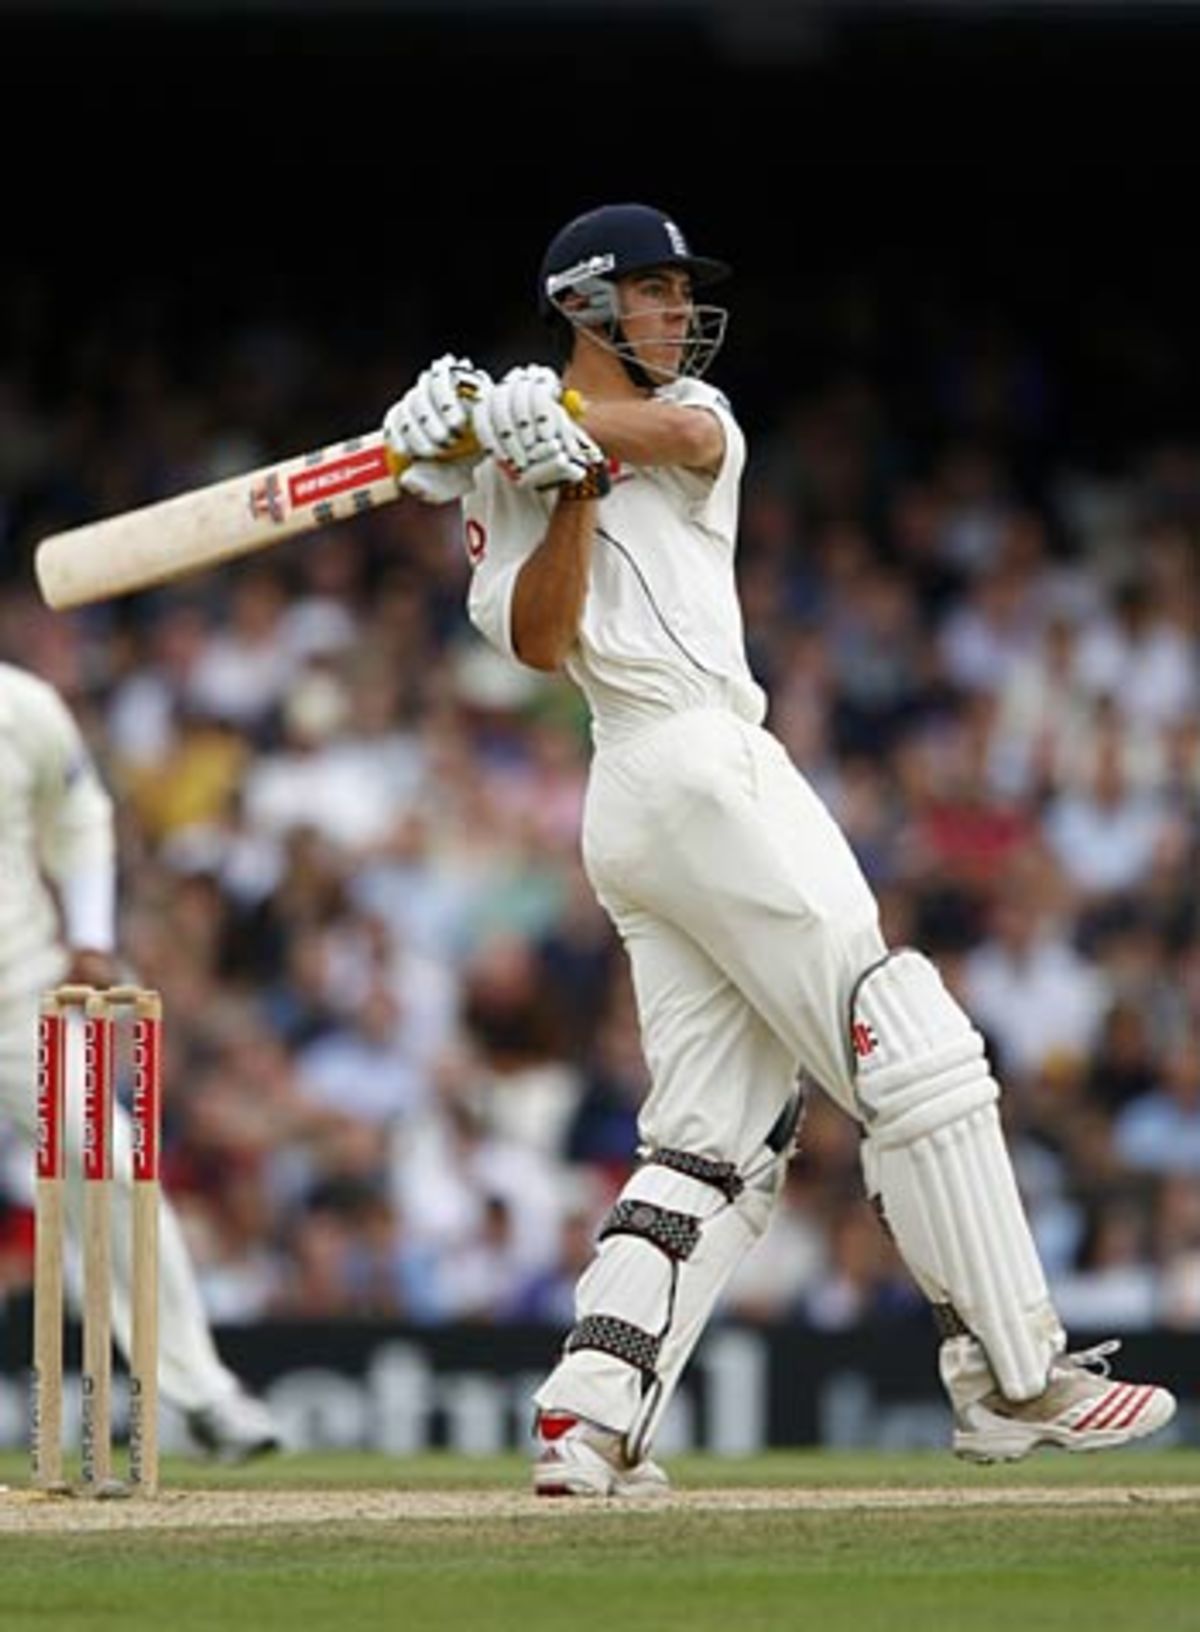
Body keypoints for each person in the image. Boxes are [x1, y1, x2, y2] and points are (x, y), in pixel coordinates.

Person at [381, 202, 1176, 1496]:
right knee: (904, 1037)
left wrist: (539, 430)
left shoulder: (695, 417)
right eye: (651, 291)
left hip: (660, 799)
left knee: (715, 1137)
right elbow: (537, 643)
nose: (677, 315)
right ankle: (1015, 1380)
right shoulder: (505, 479)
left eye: (680, 293)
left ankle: (585, 1420)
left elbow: (680, 436)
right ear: (584, 305)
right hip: (674, 764)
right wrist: (552, 481)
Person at [0, 659, 282, 1462]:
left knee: (116, 1165)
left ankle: (202, 1396)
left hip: (17, 991)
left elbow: (81, 815)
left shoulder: (22, 708)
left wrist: (90, 936)